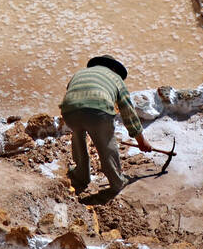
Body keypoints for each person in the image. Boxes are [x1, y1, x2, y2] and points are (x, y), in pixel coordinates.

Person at [59, 55, 151, 196]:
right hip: (98, 110)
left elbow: (72, 93)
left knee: (77, 137)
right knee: (106, 144)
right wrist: (140, 139)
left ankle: (81, 174)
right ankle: (116, 181)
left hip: (69, 110)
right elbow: (128, 111)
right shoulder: (116, 78)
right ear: (113, 68)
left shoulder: (79, 73)